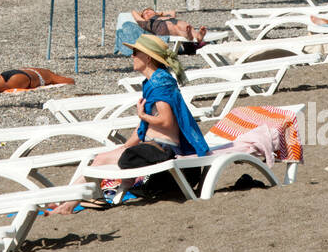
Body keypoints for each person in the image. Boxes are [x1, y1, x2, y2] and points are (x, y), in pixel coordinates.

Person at [49, 35, 209, 214]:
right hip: (155, 144)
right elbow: (145, 127)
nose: (131, 56)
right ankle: (65, 201)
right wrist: (125, 145)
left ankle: (68, 204)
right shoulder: (155, 81)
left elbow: (166, 121)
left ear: (147, 57)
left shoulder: (159, 84)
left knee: (103, 160)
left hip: (162, 148)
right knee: (99, 158)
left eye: (135, 52)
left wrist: (142, 115)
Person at [0, 67, 75, 96]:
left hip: (12, 72)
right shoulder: (50, 75)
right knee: (2, 87)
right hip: (24, 77)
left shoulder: (39, 70)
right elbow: (69, 81)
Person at [133, 8, 207, 43]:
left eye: (149, 10)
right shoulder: (146, 23)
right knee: (172, 26)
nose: (147, 12)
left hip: (174, 22)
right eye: (144, 14)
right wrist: (143, 15)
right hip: (163, 28)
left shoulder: (165, 15)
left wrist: (158, 13)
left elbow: (172, 11)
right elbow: (133, 12)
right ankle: (187, 35)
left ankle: (198, 35)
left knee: (183, 24)